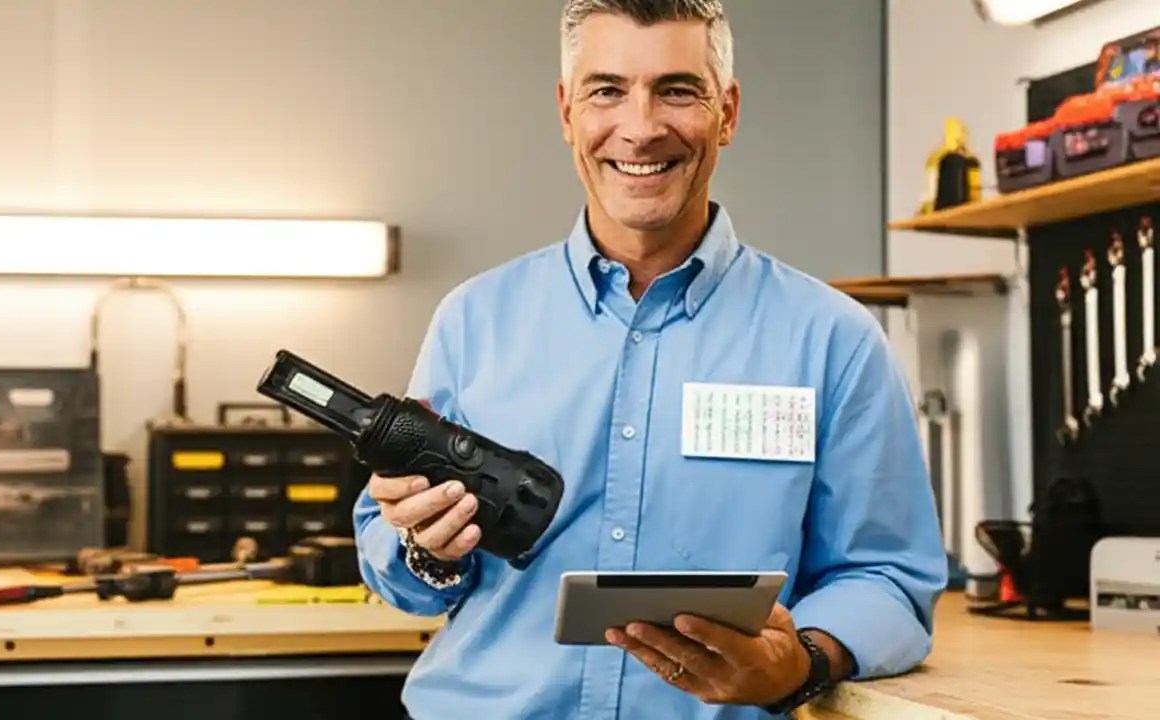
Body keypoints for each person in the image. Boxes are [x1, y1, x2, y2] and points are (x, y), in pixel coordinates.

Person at [352, 1, 949, 718]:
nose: (640, 127)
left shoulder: (834, 341)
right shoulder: (472, 321)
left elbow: (888, 576)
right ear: (566, 109)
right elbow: (401, 575)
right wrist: (426, 547)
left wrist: (802, 660)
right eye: (607, 90)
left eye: (677, 90)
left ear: (726, 112)